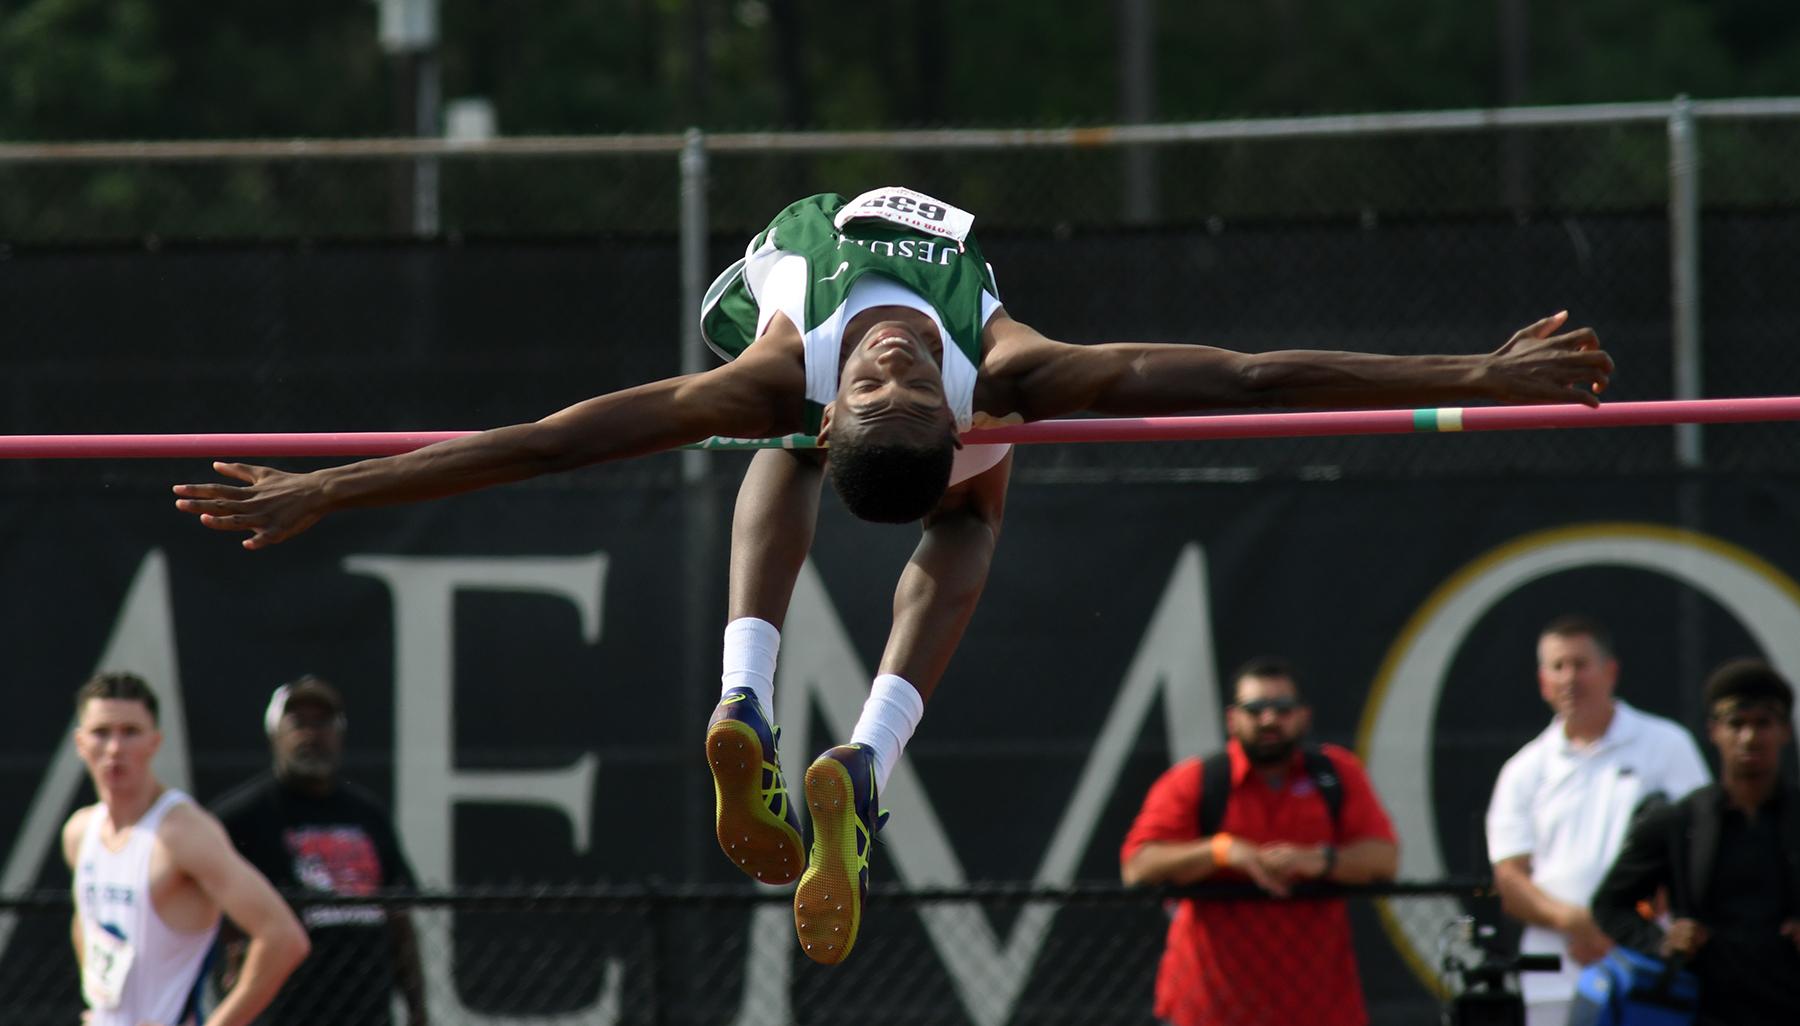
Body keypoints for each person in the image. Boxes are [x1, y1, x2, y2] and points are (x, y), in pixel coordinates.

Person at [173, 186, 1612, 964]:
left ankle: (822, 741)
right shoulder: (928, 378)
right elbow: (548, 442)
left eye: (904, 369)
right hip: (779, 361)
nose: (897, 356)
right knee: (913, 488)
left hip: (806, 385)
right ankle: (821, 742)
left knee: (903, 477)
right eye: (887, 370)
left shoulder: (927, 385)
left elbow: (1252, 370)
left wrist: (1475, 373)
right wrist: (328, 484)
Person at [1119, 658, 1400, 1026]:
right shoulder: (1196, 781)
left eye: (1282, 709)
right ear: (1232, 719)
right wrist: (1221, 851)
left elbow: (1384, 858)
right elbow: (1137, 866)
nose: (1269, 720)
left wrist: (1322, 860)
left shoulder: (1336, 774)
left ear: (1303, 716)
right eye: (1255, 710)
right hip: (1208, 1008)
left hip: (1319, 1008)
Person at [1485, 615, 1711, 1026]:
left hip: (1649, 970)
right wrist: (1575, 923)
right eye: (1558, 666)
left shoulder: (1667, 745)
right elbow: (1510, 880)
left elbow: (1701, 844)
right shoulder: (1522, 769)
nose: (1570, 678)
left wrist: (1623, 924)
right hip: (1553, 978)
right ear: (1543, 682)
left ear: (1610, 671)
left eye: (1580, 664)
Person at [62, 672, 309, 1026]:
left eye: (130, 732)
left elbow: (283, 938)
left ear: (154, 741)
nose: (115, 749)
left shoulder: (184, 833)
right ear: (80, 742)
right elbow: (85, 920)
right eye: (101, 732)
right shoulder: (80, 832)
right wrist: (99, 1006)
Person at [1590, 658, 1800, 1025]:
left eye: (1763, 724)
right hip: (1705, 1007)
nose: (1749, 737)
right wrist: (1662, 942)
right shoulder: (1681, 821)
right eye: (1737, 724)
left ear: (1784, 731)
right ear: (1714, 731)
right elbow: (1609, 904)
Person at [210, 675, 427, 1026]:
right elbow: (208, 917)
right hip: (281, 1014)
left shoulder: (368, 814)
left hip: (366, 1014)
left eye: (323, 723)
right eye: (298, 723)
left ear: (340, 734)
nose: (312, 734)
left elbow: (400, 921)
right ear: (274, 733)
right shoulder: (238, 819)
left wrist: (419, 1012)